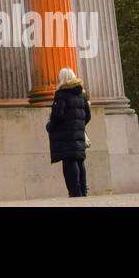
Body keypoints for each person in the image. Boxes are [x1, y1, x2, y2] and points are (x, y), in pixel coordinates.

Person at [46, 67, 92, 198]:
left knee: (69, 163)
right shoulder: (82, 94)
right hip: (78, 133)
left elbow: (57, 116)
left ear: (62, 79)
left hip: (65, 136)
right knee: (79, 161)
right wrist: (78, 126)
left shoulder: (62, 94)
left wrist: (49, 126)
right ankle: (83, 191)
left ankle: (75, 192)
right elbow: (88, 116)